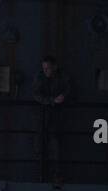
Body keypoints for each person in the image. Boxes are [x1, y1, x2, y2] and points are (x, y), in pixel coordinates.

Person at [33, 55, 72, 183]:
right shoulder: (40, 78)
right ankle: (41, 175)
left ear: (54, 67)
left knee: (55, 147)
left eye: (48, 68)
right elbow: (36, 95)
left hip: (55, 118)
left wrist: (63, 97)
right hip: (43, 117)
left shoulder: (62, 78)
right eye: (44, 68)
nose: (46, 71)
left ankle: (56, 174)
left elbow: (69, 90)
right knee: (40, 146)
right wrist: (52, 101)